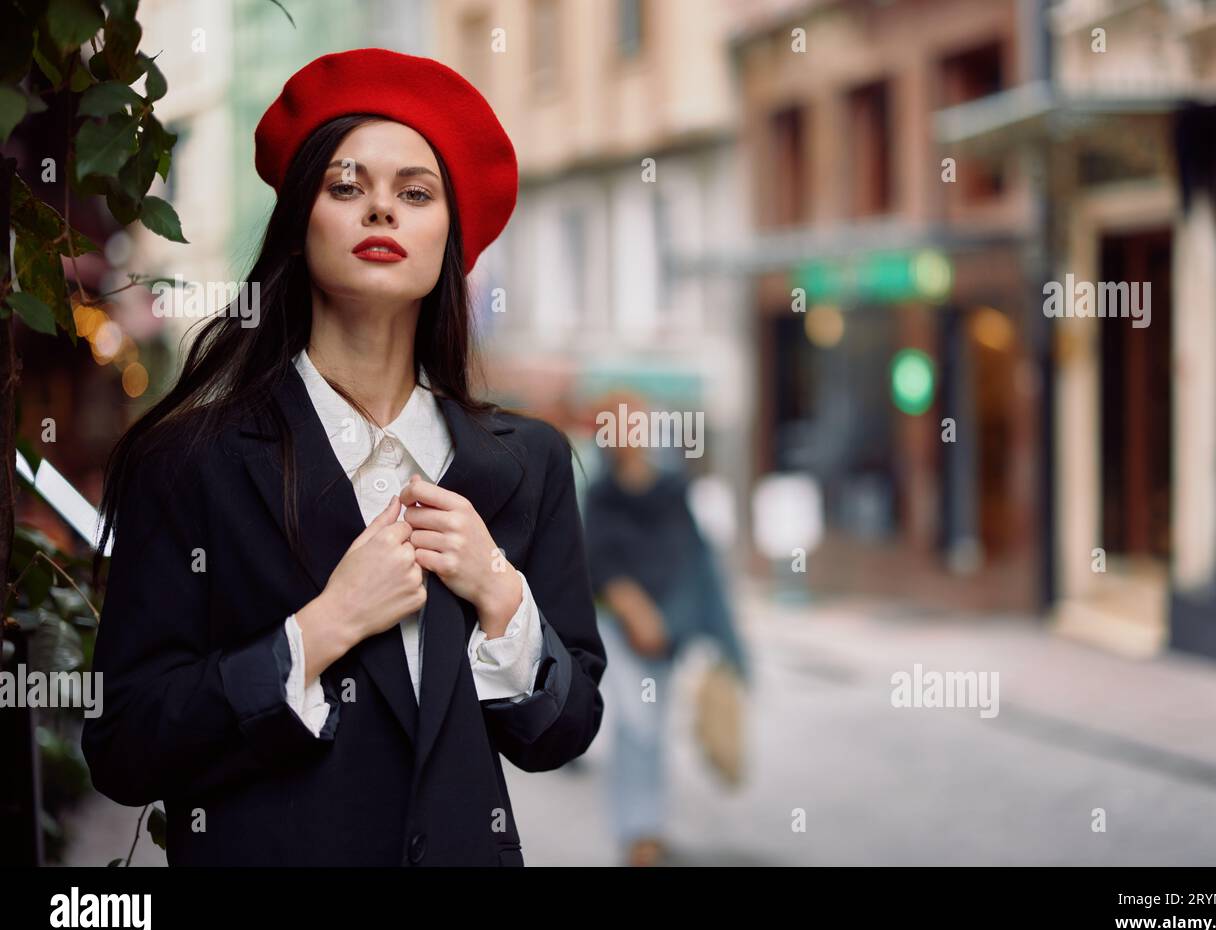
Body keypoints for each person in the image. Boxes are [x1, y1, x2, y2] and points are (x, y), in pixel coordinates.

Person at [82, 49, 605, 866]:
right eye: (347, 186)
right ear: (300, 221)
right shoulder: (189, 463)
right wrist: (318, 631)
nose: (382, 212)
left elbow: (563, 732)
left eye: (416, 193)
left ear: (449, 238)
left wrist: (501, 593)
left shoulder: (526, 461)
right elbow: (123, 746)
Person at [583, 391, 749, 866]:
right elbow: (597, 561)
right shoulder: (600, 496)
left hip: (667, 632)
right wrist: (630, 606)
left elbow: (693, 562)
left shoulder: (673, 490)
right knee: (635, 727)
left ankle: (649, 829)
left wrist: (693, 627)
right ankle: (636, 834)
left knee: (653, 729)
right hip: (621, 630)